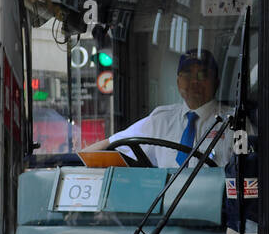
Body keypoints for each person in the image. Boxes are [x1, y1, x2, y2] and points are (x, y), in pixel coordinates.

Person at [92, 49, 238, 169]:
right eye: (187, 74)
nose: (194, 81)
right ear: (178, 81)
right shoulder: (161, 119)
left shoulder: (234, 122)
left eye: (202, 74)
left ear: (216, 81)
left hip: (215, 203)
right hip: (167, 203)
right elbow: (112, 144)